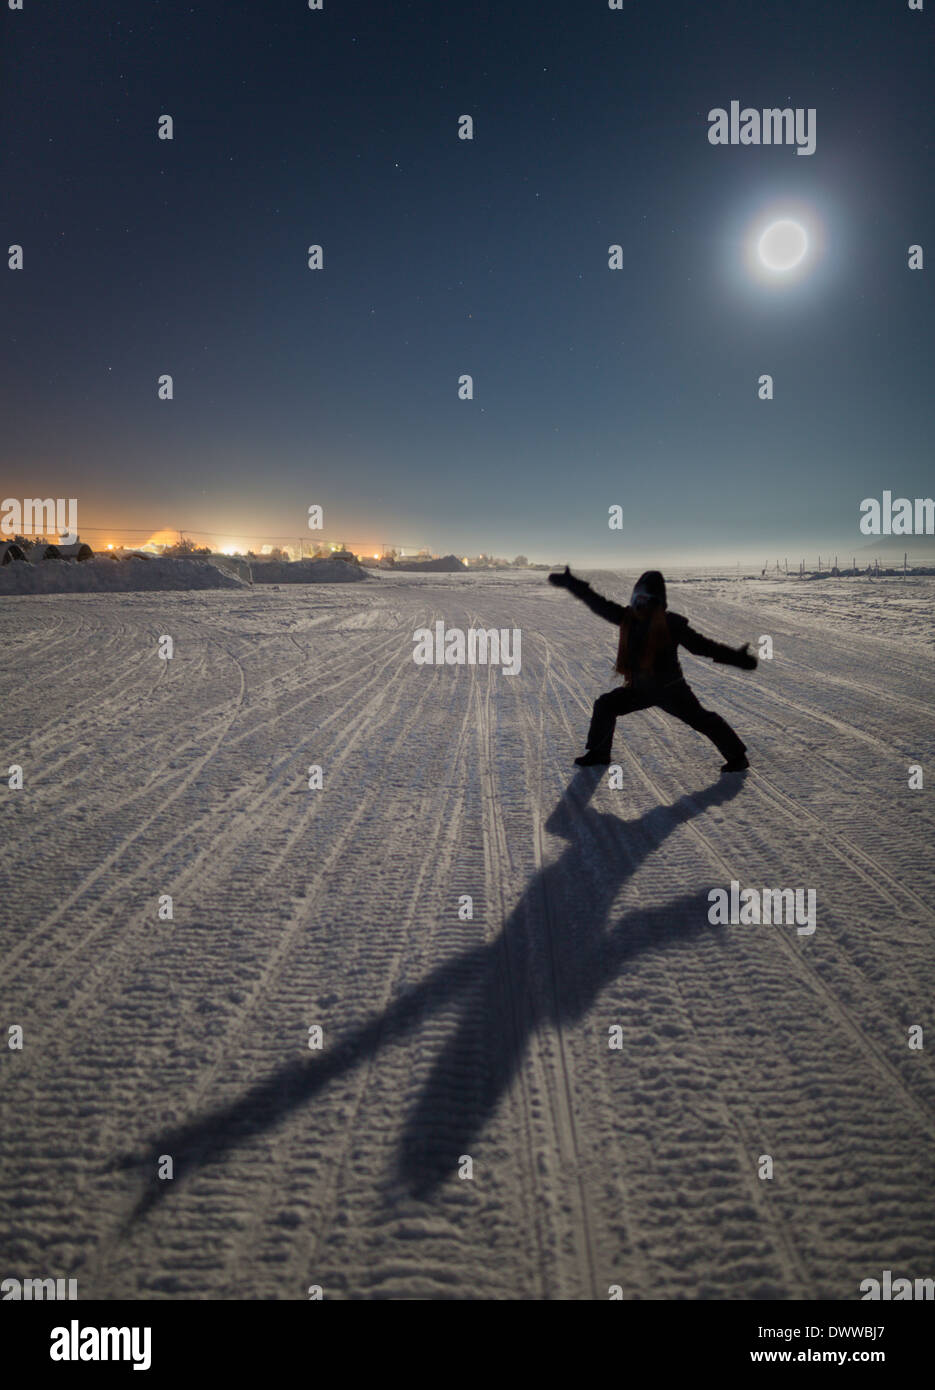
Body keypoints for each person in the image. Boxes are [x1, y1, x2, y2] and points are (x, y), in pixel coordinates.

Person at [548, 567, 757, 772]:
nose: (640, 603)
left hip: (671, 690)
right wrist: (572, 583)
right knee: (605, 705)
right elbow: (598, 604)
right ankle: (599, 753)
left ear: (657, 600)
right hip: (639, 689)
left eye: (645, 599)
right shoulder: (628, 618)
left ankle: (738, 758)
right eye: (637, 598)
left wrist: (737, 658)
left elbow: (702, 646)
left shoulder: (671, 623)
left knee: (702, 720)